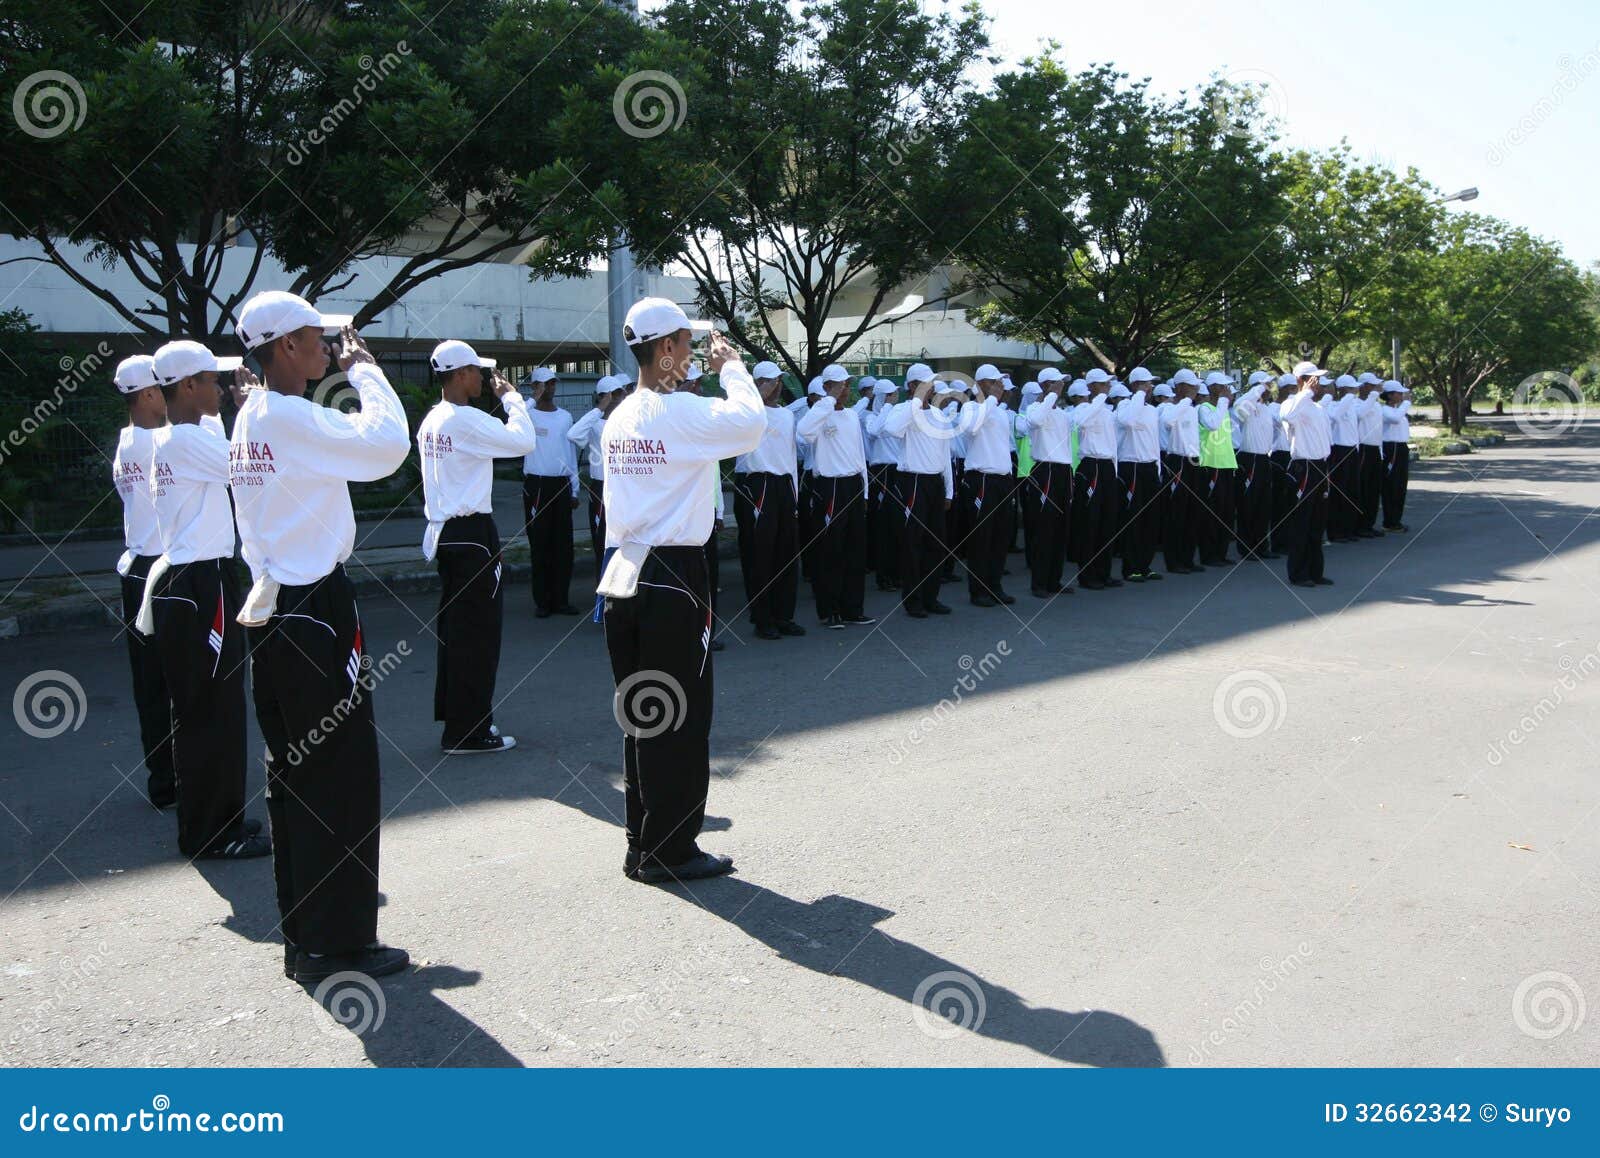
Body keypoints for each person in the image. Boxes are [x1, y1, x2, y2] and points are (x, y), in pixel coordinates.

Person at [229, 290, 411, 982]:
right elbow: (386, 448)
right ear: (284, 349)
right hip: (310, 606)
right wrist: (365, 369)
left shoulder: (256, 414)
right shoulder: (285, 415)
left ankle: (308, 936)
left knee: (296, 778)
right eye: (316, 339)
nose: (327, 349)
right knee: (341, 777)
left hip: (277, 609)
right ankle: (338, 945)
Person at [599, 297, 764, 884]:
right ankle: (670, 848)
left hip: (624, 571)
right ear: (665, 349)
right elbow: (750, 423)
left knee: (644, 711)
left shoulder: (620, 416)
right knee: (681, 714)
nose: (694, 356)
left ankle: (643, 839)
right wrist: (731, 367)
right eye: (688, 346)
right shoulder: (683, 412)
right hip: (672, 572)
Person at [142, 340, 268, 859]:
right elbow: (254, 466)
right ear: (188, 386)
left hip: (192, 581)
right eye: (212, 381)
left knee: (203, 709)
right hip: (199, 585)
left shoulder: (182, 437)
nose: (222, 387)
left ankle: (213, 823)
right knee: (213, 711)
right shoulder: (186, 442)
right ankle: (215, 832)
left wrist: (235, 410)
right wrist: (257, 407)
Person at [418, 339, 537, 755]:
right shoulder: (463, 419)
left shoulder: (433, 419)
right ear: (461, 374)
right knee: (478, 637)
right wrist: (512, 398)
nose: (485, 379)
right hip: (471, 535)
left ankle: (459, 720)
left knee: (457, 634)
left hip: (448, 534)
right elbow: (523, 441)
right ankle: (469, 730)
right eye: (479, 372)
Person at [110, 355, 176, 811]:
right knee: (180, 682)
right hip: (163, 568)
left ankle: (164, 780)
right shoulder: (160, 444)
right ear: (149, 394)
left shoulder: (126, 442)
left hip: (137, 568)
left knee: (150, 683)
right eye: (166, 387)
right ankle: (179, 779)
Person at [795, 364, 874, 628]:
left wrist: (865, 491)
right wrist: (827, 400)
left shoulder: (851, 416)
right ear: (827, 388)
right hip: (830, 487)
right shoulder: (819, 413)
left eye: (847, 385)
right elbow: (803, 433)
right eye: (839, 385)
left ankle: (853, 608)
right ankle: (829, 610)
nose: (845, 390)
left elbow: (860, 455)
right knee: (831, 551)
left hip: (853, 485)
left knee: (856, 551)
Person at [733, 361, 805, 640]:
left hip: (783, 484)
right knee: (759, 554)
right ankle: (763, 618)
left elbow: (790, 457)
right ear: (759, 383)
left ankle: (784, 615)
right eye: (771, 381)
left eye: (779, 381)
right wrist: (755, 394)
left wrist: (794, 494)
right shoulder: (747, 411)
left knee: (786, 554)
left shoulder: (787, 416)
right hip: (757, 483)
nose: (777, 387)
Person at [879, 363, 955, 617]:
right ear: (912, 386)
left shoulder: (939, 415)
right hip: (911, 482)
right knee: (913, 542)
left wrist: (949, 491)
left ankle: (931, 597)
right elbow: (890, 430)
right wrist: (915, 402)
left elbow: (946, 455)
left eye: (931, 383)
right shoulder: (904, 410)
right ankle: (913, 600)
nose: (931, 387)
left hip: (935, 482)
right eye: (925, 383)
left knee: (936, 543)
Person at [520, 367, 582, 617]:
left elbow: (570, 454)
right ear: (535, 387)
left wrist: (575, 488)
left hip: (561, 484)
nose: (550, 388)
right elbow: (511, 415)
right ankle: (542, 601)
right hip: (537, 485)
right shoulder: (528, 414)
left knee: (563, 545)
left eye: (553, 384)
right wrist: (533, 398)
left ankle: (561, 600)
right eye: (544, 384)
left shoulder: (565, 417)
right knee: (540, 543)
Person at [957, 364, 1016, 605]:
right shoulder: (970, 407)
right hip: (981, 478)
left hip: (1003, 478)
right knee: (982, 536)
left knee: (1001, 536)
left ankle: (994, 585)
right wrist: (991, 400)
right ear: (981, 384)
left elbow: (1005, 445)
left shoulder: (1000, 411)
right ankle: (978, 590)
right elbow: (971, 429)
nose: (999, 387)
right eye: (993, 382)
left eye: (999, 383)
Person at [1279, 361, 1335, 589]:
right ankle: (1298, 573)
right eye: (1312, 379)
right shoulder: (1291, 403)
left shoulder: (1318, 408)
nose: (1317, 383)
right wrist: (1304, 392)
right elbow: (1289, 416)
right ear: (1301, 380)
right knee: (1301, 523)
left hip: (1321, 467)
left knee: (1317, 523)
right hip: (1304, 467)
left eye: (1318, 380)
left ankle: (1315, 571)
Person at [1069, 369, 1122, 589]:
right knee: (1090, 522)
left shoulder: (1107, 411)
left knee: (1107, 521)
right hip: (1092, 466)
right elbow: (1080, 422)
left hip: (1107, 466)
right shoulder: (1084, 408)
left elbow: (1112, 443)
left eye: (1107, 384)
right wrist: (1098, 398)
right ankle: (1087, 574)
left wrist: (1115, 469)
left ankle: (1103, 572)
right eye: (1101, 384)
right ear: (1090, 387)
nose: (1107, 387)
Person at [1023, 368, 1074, 597]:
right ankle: (1039, 583)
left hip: (1063, 470)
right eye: (1056, 383)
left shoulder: (1062, 414)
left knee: (1060, 529)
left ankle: (1054, 579)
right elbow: (1033, 421)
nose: (1061, 387)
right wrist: (1050, 395)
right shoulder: (1035, 409)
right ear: (1046, 385)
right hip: (1046, 470)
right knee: (1044, 529)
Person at [568, 377, 624, 576]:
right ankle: (604, 591)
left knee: (624, 541)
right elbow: (573, 434)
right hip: (601, 487)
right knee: (602, 540)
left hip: (623, 486)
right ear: (605, 397)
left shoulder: (625, 421)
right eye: (616, 394)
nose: (622, 397)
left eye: (621, 392)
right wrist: (600, 409)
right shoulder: (594, 424)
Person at [1114, 368, 1163, 583]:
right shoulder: (1125, 406)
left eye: (1150, 384)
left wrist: (1158, 467)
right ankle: (1130, 567)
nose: (1149, 387)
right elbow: (1128, 422)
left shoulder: (1152, 411)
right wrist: (1139, 395)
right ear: (1134, 386)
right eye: (1144, 384)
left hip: (1150, 466)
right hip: (1131, 466)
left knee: (1151, 519)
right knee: (1133, 519)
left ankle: (1144, 565)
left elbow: (1154, 441)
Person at [1160, 369, 1204, 574]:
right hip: (1177, 461)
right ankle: (1174, 560)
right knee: (1176, 512)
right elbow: (1167, 422)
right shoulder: (1170, 407)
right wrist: (1186, 400)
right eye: (1191, 385)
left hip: (1193, 461)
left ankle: (1187, 558)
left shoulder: (1192, 409)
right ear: (1179, 387)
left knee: (1192, 512)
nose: (1195, 389)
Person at [1231, 372, 1276, 561]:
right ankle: (1246, 547)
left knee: (1263, 505)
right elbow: (1239, 408)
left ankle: (1261, 545)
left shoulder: (1266, 408)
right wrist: (1258, 388)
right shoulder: (1247, 405)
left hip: (1264, 459)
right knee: (1248, 505)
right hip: (1249, 459)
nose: (1268, 389)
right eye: (1265, 386)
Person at [864, 377, 903, 591]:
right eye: (889, 395)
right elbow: (874, 431)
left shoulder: (896, 414)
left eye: (893, 395)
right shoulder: (871, 417)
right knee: (883, 525)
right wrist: (886, 405)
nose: (894, 398)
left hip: (898, 471)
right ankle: (883, 575)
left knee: (898, 524)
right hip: (882, 472)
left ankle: (897, 572)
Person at [1196, 372, 1237, 566]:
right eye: (1222, 387)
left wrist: (1224, 404)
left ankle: (1221, 552)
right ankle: (1209, 554)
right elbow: (1212, 425)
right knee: (1212, 513)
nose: (1226, 391)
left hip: (1226, 464)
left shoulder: (1224, 408)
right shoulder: (1203, 408)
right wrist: (1222, 402)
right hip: (1210, 464)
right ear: (1212, 388)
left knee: (1226, 512)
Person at [1323, 375, 1361, 543]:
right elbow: (1335, 417)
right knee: (1340, 491)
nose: (1355, 391)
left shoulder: (1350, 404)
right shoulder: (1331, 405)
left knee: (1352, 490)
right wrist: (1348, 397)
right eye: (1352, 389)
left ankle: (1349, 528)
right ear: (1344, 390)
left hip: (1352, 450)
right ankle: (1336, 531)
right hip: (1338, 451)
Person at [1354, 373, 1387, 538]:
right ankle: (1359, 524)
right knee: (1364, 487)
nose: (1375, 388)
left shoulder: (1375, 404)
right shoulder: (1356, 402)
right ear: (1363, 386)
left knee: (1374, 489)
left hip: (1375, 449)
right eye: (1372, 385)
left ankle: (1369, 523)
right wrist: (1374, 395)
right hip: (1364, 449)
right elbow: (1360, 415)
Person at [1380, 380, 1412, 532]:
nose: (1402, 396)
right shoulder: (1385, 410)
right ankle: (1390, 521)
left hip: (1401, 448)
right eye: (1398, 393)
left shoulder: (1397, 409)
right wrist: (1406, 404)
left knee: (1401, 485)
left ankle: (1396, 519)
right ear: (1390, 395)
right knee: (1392, 485)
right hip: (1391, 447)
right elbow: (1395, 418)